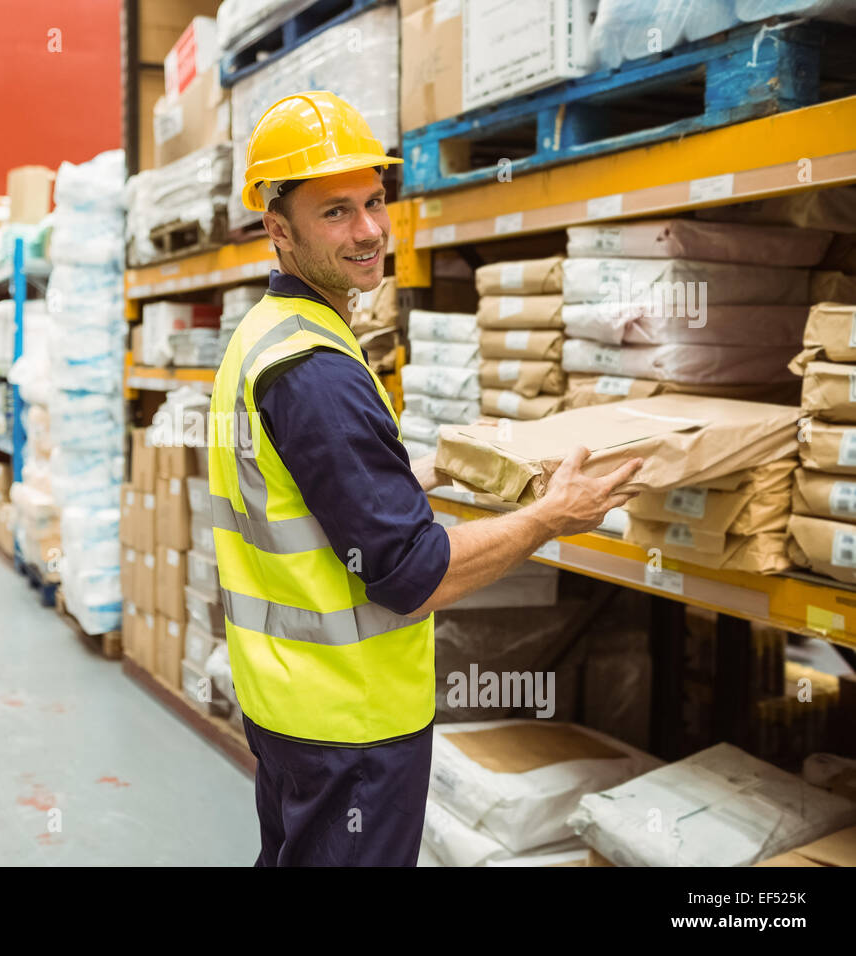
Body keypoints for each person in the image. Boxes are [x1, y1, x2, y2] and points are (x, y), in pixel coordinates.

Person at [209, 91, 645, 867]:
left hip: (290, 703)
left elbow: (310, 495)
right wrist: (550, 516)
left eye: (375, 201)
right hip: (352, 722)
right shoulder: (317, 371)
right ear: (278, 229)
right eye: (336, 212)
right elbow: (410, 574)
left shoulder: (270, 336)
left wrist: (431, 465)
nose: (371, 229)